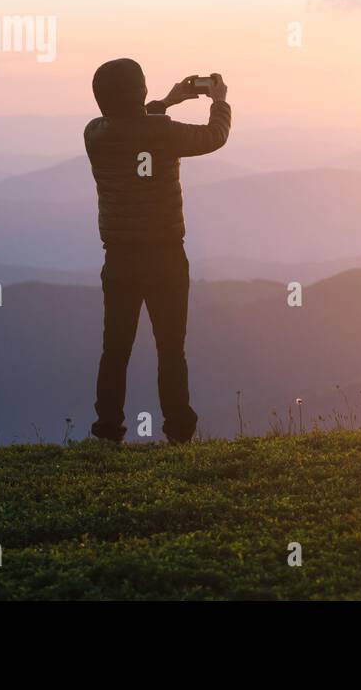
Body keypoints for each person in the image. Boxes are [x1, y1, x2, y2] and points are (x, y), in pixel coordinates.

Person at [83, 59, 230, 443]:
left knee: (114, 349)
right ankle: (179, 431)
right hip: (165, 256)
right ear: (141, 93)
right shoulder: (164, 136)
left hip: (119, 258)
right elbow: (215, 136)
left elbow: (130, 127)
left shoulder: (95, 134)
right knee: (170, 349)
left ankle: (108, 430)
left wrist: (168, 101)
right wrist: (219, 100)